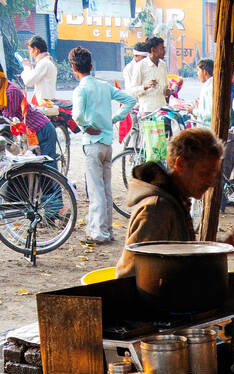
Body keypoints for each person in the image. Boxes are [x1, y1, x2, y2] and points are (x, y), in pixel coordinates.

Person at [117, 127, 234, 277]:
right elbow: (129, 276)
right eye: (204, 173)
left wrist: (217, 251)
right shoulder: (156, 210)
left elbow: (178, 256)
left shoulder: (177, 202)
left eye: (213, 174)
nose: (211, 183)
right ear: (180, 164)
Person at [70, 46, 135, 245]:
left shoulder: (81, 89)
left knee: (96, 190)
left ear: (74, 68)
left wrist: (86, 127)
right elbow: (130, 100)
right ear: (91, 66)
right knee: (106, 189)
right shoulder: (104, 86)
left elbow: (77, 116)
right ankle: (107, 230)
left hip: (92, 143)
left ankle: (98, 232)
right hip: (107, 143)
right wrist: (114, 118)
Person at [0, 59, 58, 167]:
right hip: (26, 134)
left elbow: (4, 120)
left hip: (41, 129)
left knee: (49, 167)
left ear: (2, 78)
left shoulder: (10, 91)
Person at [20, 35, 58, 113]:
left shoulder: (43, 63)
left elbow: (28, 81)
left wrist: (26, 68)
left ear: (36, 50)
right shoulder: (47, 62)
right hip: (45, 102)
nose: (30, 54)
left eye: (30, 50)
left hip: (45, 104)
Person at [194, 58, 215, 127]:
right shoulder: (210, 85)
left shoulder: (209, 88)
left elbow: (210, 114)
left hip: (207, 129)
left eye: (198, 70)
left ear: (205, 72)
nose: (197, 74)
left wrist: (193, 111)